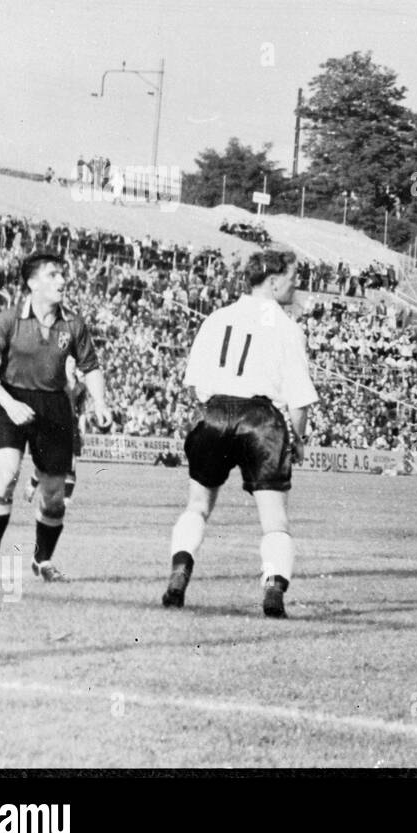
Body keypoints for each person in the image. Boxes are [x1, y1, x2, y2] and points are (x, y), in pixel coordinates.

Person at [161, 250, 318, 618]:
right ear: (273, 280)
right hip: (260, 419)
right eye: (293, 276)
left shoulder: (217, 318)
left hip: (214, 412)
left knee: (198, 505)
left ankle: (181, 568)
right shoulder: (287, 327)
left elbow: (195, 385)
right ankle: (274, 586)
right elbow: (299, 400)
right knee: (274, 519)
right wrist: (298, 441)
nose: (297, 284)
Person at [0, 251, 112, 584]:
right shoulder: (8, 319)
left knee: (54, 495)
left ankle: (42, 561)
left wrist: (101, 402)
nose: (62, 280)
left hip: (54, 407)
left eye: (62, 274)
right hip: (10, 400)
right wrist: (9, 403)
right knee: (7, 474)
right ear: (32, 283)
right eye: (53, 275)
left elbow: (91, 367)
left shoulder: (73, 323)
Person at [26, 355, 87, 506]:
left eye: (74, 362)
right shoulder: (57, 383)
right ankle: (32, 485)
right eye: (70, 362)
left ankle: (66, 500)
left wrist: (83, 431)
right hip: (56, 423)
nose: (72, 365)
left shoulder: (80, 387)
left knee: (71, 464)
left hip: (72, 426)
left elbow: (83, 411)